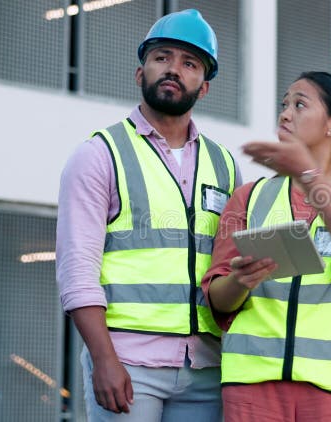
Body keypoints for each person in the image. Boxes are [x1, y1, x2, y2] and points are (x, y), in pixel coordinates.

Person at [56, 9, 241, 421]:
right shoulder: (100, 154)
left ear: (204, 87)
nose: (174, 69)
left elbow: (228, 266)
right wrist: (103, 359)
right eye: (162, 57)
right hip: (128, 364)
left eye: (189, 63)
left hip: (206, 366)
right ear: (140, 73)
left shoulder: (224, 165)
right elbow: (77, 271)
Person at [202, 71, 331, 422]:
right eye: (284, 104)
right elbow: (217, 298)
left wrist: (309, 177)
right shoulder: (249, 197)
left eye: (299, 104)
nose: (285, 114)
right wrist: (239, 281)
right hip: (251, 387)